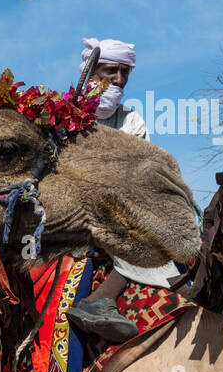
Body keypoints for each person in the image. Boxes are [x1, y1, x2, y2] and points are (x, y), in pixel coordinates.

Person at [65, 38, 178, 342]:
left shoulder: (131, 120)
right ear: (90, 72)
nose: (118, 79)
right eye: (110, 70)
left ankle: (100, 301)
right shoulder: (59, 117)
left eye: (124, 72)